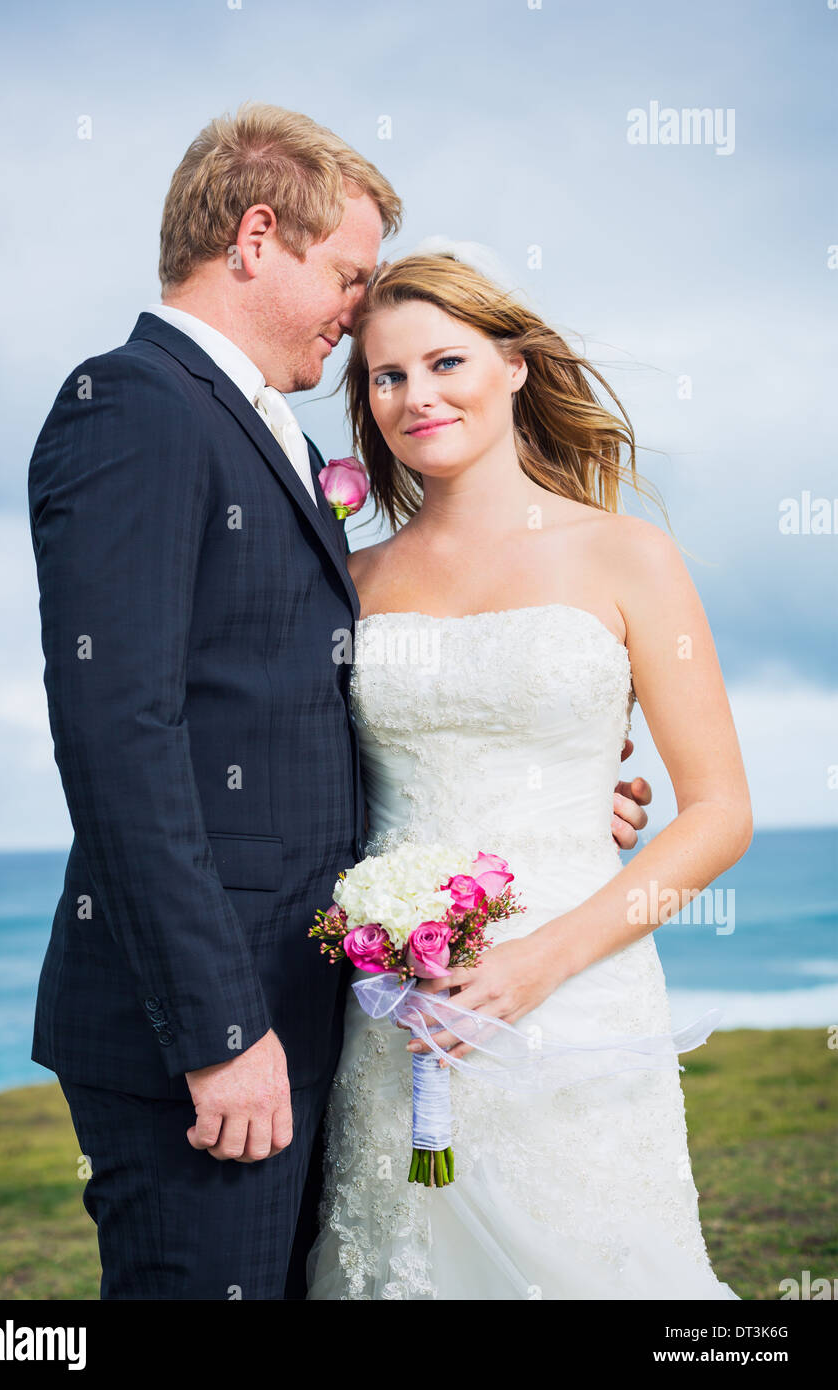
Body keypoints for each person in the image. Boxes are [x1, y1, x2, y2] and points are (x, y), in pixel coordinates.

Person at [27, 103, 652, 1300]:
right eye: (351, 277)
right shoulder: (135, 406)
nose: (361, 312)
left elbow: (308, 708)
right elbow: (121, 735)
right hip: (210, 1032)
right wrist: (218, 1034)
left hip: (326, 1012)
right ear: (257, 235)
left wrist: (554, 799)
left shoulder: (254, 432)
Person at [305, 248, 752, 1299]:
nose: (418, 396)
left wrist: (537, 963)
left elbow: (722, 812)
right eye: (387, 376)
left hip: (577, 1001)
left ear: (512, 363)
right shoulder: (350, 581)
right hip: (401, 1010)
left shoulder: (628, 556)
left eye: (446, 361)